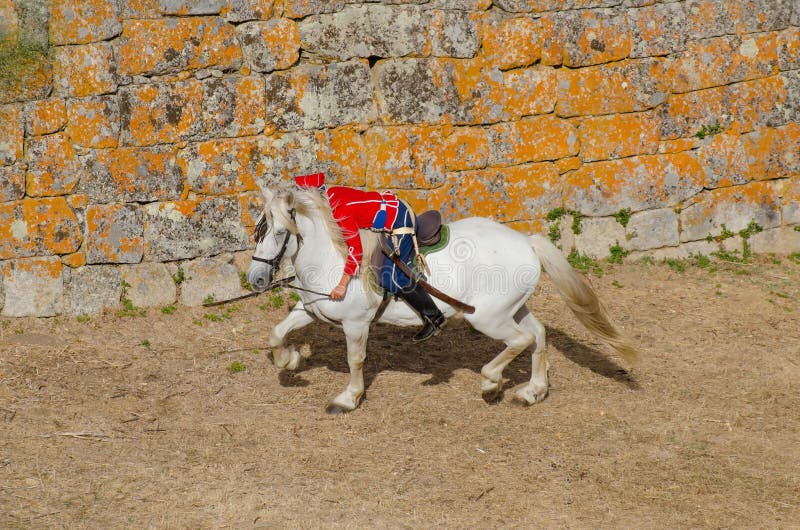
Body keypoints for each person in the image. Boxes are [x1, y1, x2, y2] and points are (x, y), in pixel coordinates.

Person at [294, 173, 445, 342]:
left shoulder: (338, 209)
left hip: (400, 220)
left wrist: (342, 285)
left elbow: (355, 249)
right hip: (393, 210)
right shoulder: (333, 194)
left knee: (391, 278)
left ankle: (434, 317)